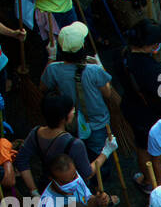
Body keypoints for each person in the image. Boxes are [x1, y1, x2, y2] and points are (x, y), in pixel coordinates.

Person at [41, 23, 120, 160]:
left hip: (69, 123)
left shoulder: (53, 69)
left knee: (75, 156)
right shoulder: (94, 70)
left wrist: (51, 57)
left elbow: (43, 87)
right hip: (97, 122)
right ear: (83, 47)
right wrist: (100, 67)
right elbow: (107, 93)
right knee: (100, 155)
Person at [119, 19, 161, 142]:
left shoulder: (121, 55)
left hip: (130, 108)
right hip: (149, 117)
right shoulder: (159, 72)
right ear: (152, 45)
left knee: (141, 145)